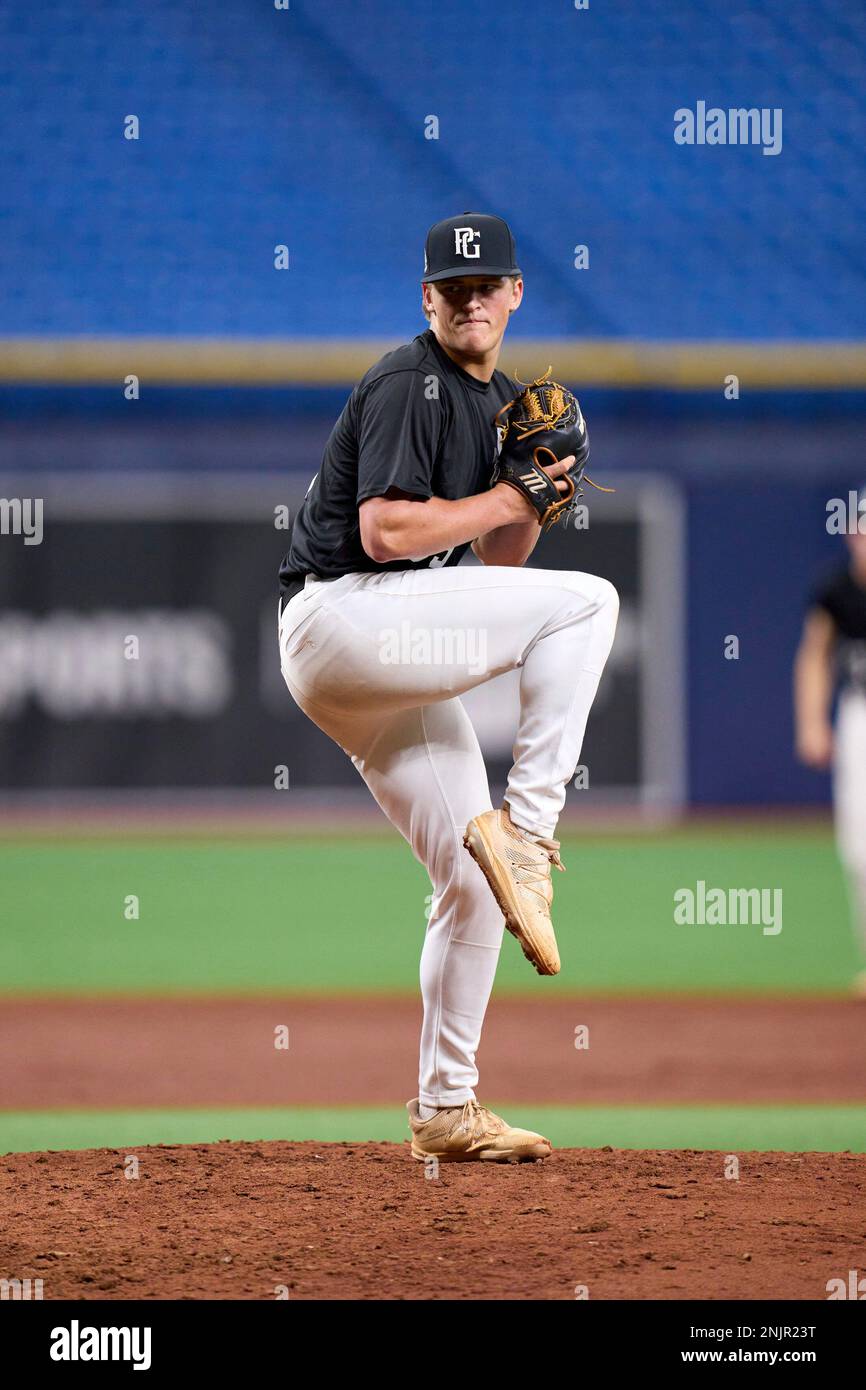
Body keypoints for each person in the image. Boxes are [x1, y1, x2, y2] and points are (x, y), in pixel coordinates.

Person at [277, 212, 619, 1161]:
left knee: (471, 885)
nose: (471, 300)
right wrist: (512, 497)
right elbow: (386, 533)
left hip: (387, 650)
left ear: (515, 294)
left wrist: (539, 496)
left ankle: (446, 1107)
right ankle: (536, 838)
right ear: (428, 299)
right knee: (589, 604)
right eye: (452, 288)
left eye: (488, 285)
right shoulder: (405, 381)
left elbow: (497, 564)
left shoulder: (506, 403)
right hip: (342, 615)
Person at [794, 502, 866, 996]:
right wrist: (812, 722)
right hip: (858, 713)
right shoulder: (837, 590)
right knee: (858, 847)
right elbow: (814, 654)